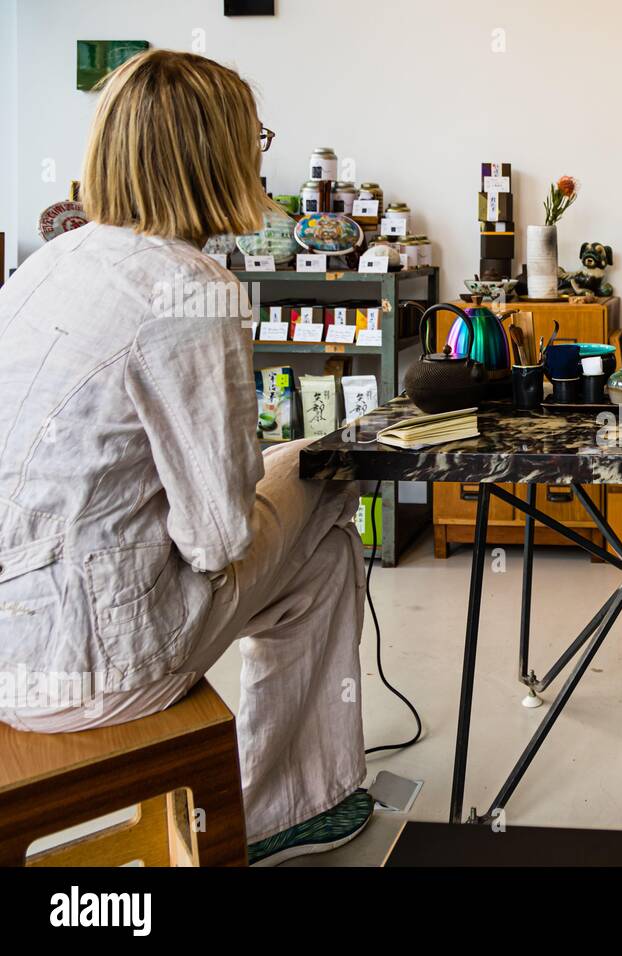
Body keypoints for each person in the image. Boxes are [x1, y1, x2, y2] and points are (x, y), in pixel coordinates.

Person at [0, 50, 372, 866]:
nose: (261, 154)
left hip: (11, 636)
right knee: (326, 471)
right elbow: (218, 537)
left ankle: (301, 800)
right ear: (217, 153)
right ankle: (287, 809)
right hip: (99, 662)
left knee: (317, 549)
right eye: (256, 138)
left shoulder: (46, 264)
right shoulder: (193, 287)